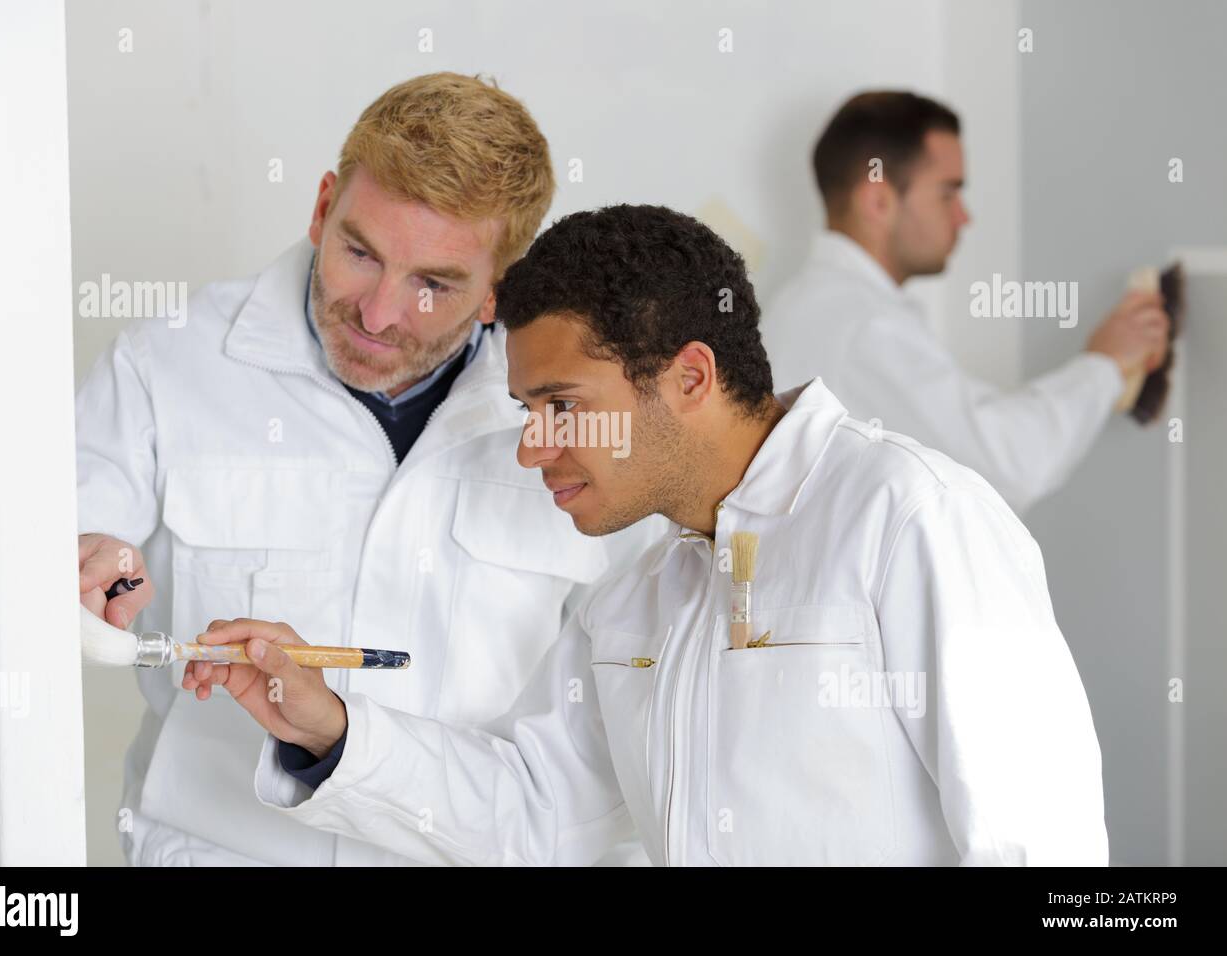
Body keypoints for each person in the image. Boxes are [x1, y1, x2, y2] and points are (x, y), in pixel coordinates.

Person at [184, 205, 1110, 866]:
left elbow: (1043, 847)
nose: (532, 447)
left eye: (561, 406)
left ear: (691, 377)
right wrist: (330, 727)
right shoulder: (635, 597)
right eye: (524, 409)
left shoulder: (909, 517)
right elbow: (535, 813)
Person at [75, 73, 657, 866]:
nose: (380, 313)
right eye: (359, 252)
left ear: (499, 292)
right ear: (321, 208)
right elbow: (55, 545)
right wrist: (85, 563)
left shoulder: (581, 426)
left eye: (433, 284)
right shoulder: (166, 363)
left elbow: (613, 734)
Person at [763, 91, 1170, 512]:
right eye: (948, 193)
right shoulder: (861, 326)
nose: (964, 217)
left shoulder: (810, 306)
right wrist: (1104, 366)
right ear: (878, 200)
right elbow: (1009, 464)